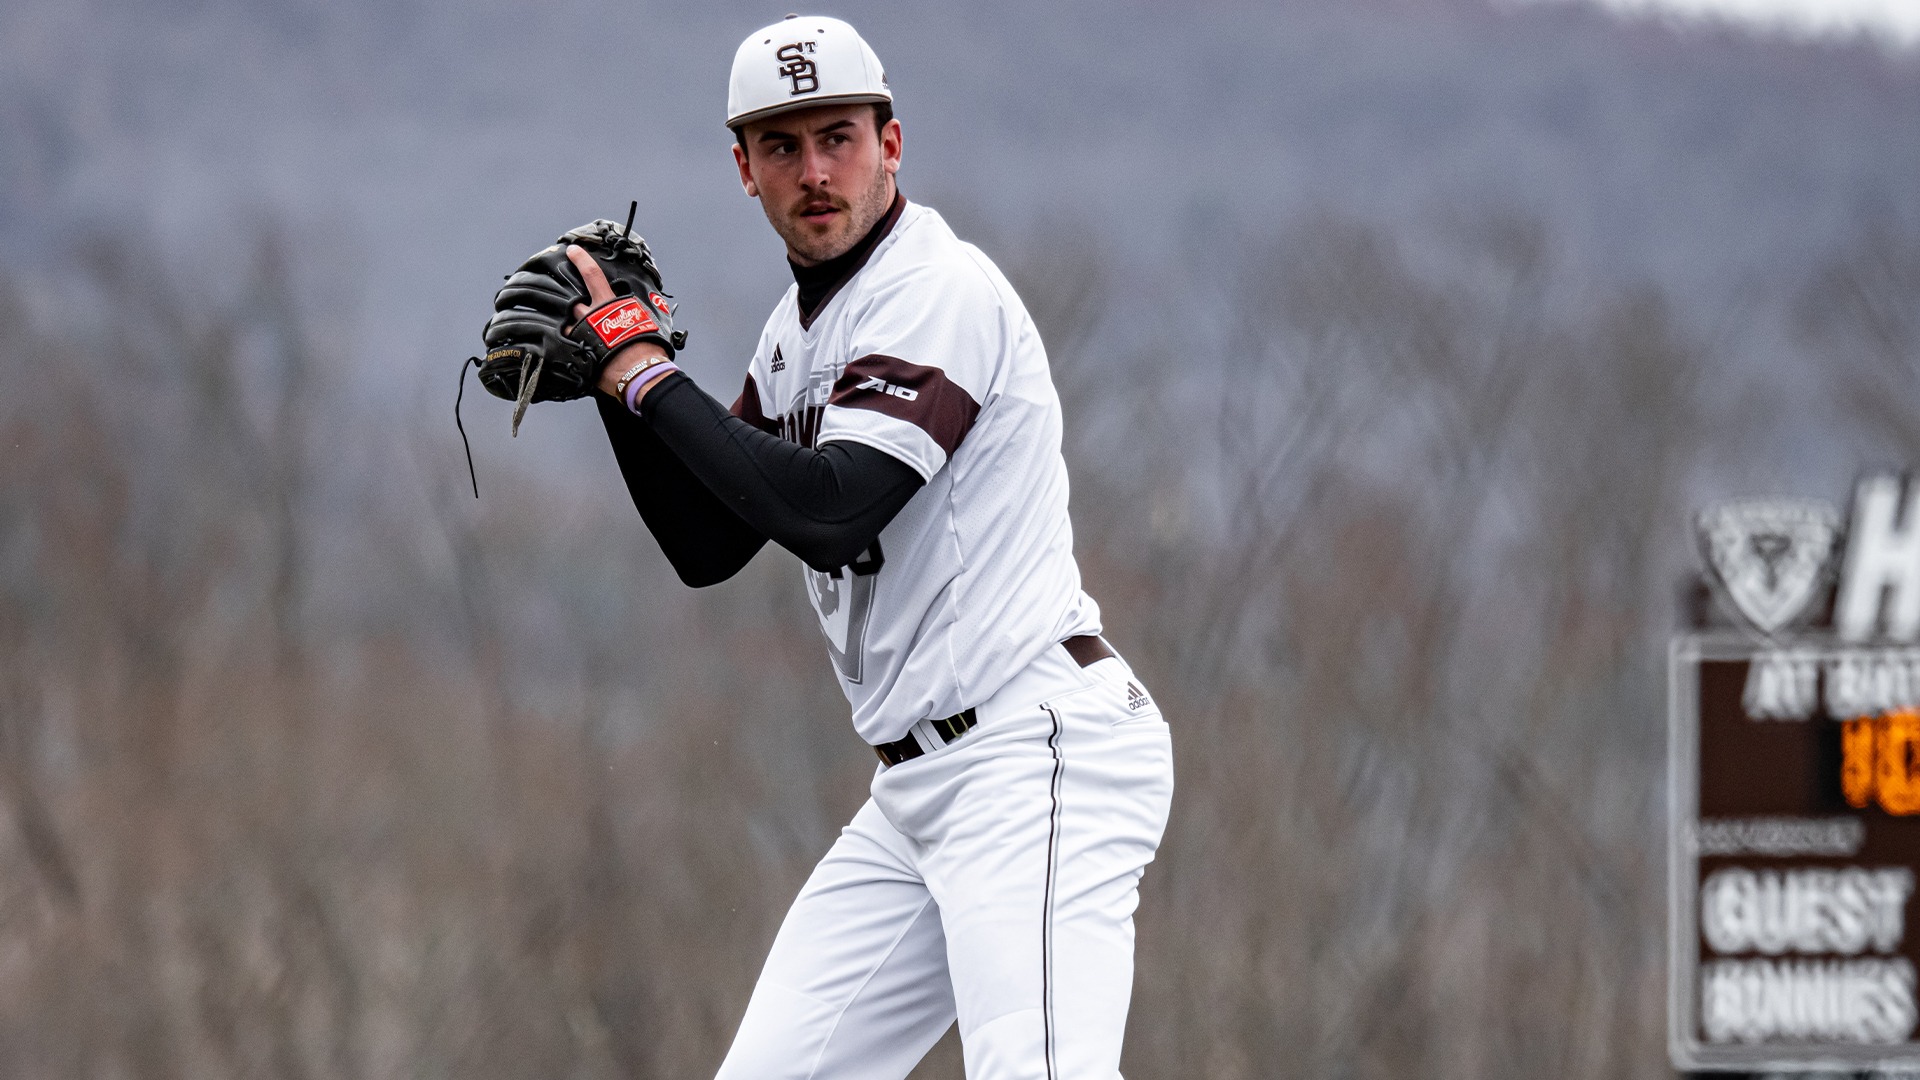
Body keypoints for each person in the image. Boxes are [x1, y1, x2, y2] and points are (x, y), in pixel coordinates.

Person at [578, 15, 1173, 1079]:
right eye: (783, 144)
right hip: (917, 797)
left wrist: (647, 377)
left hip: (1033, 753)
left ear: (890, 143)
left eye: (838, 136)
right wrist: (617, 389)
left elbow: (831, 510)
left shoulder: (933, 288)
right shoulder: (795, 333)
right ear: (743, 170)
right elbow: (712, 543)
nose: (815, 169)